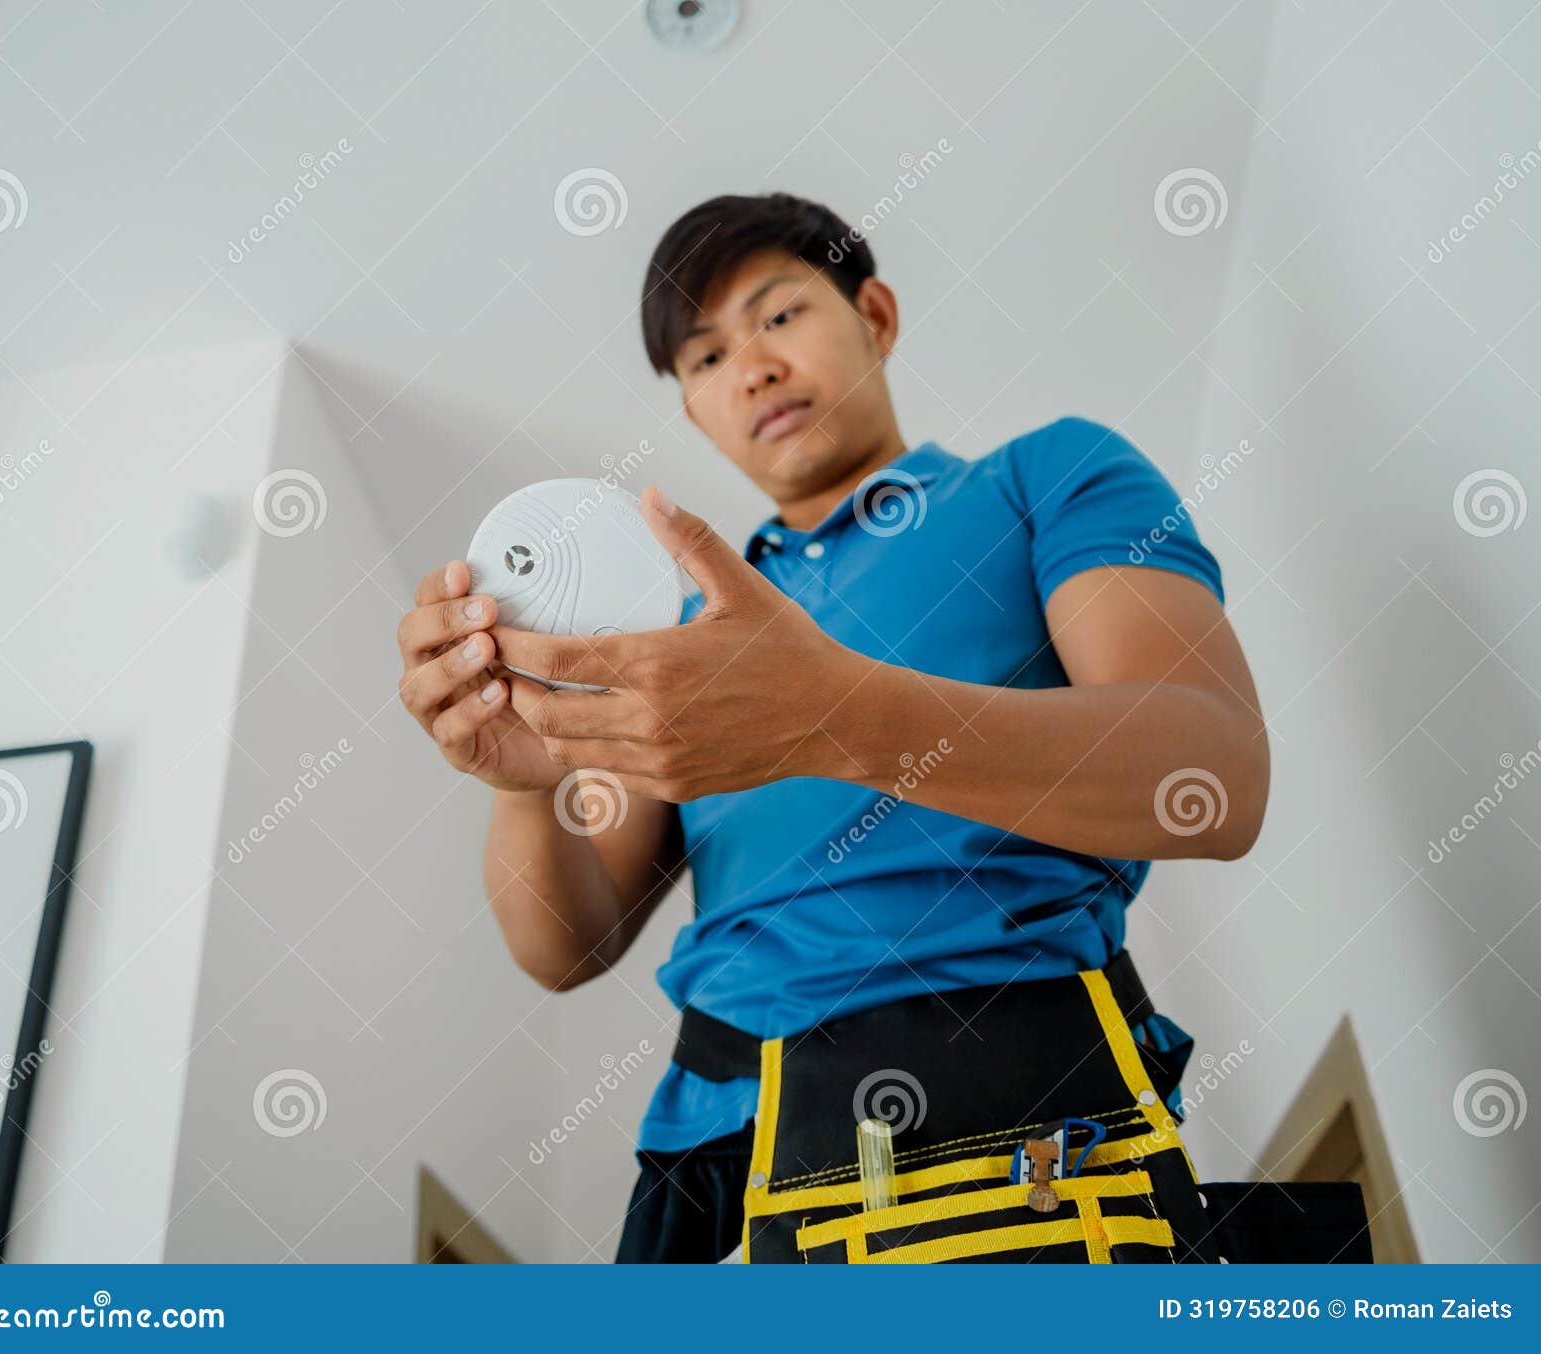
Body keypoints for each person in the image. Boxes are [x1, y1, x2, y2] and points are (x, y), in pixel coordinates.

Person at [394, 192, 1271, 1264]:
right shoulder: (676, 644)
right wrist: (522, 778)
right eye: (705, 358)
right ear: (692, 411)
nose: (751, 368)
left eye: (778, 316)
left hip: (1018, 1111)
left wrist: (830, 714)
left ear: (877, 316)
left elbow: (1213, 773)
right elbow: (564, 948)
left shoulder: (1046, 478)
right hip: (717, 1146)